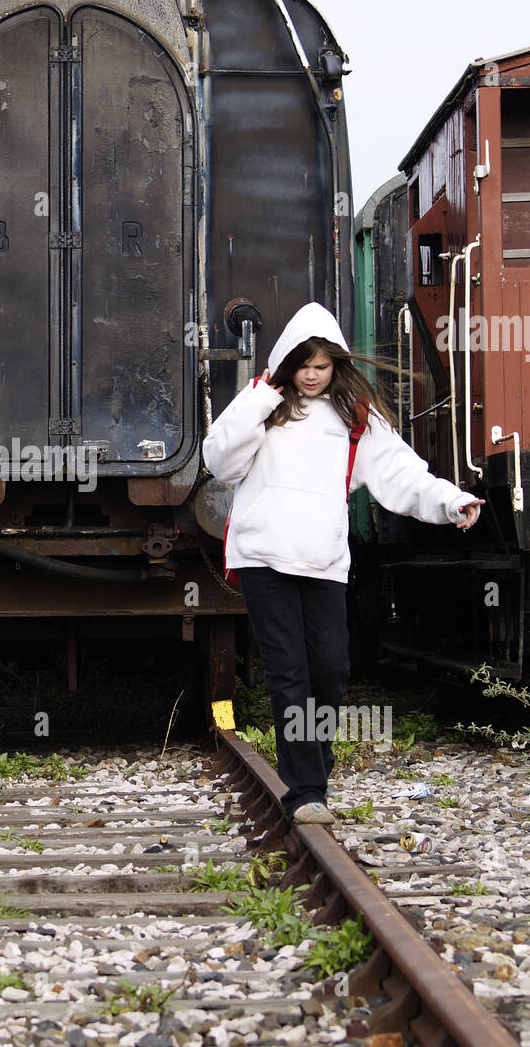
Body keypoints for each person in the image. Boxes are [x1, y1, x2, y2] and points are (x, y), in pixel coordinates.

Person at [202, 303, 483, 826]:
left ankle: (314, 764)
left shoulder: (356, 418)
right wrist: (262, 393)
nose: (311, 374)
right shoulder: (267, 406)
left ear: (336, 366)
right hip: (262, 558)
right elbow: (218, 460)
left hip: (324, 562)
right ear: (287, 362)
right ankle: (307, 791)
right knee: (290, 674)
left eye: (322, 365)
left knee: (330, 670)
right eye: (302, 363)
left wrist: (449, 501)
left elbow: (404, 475)